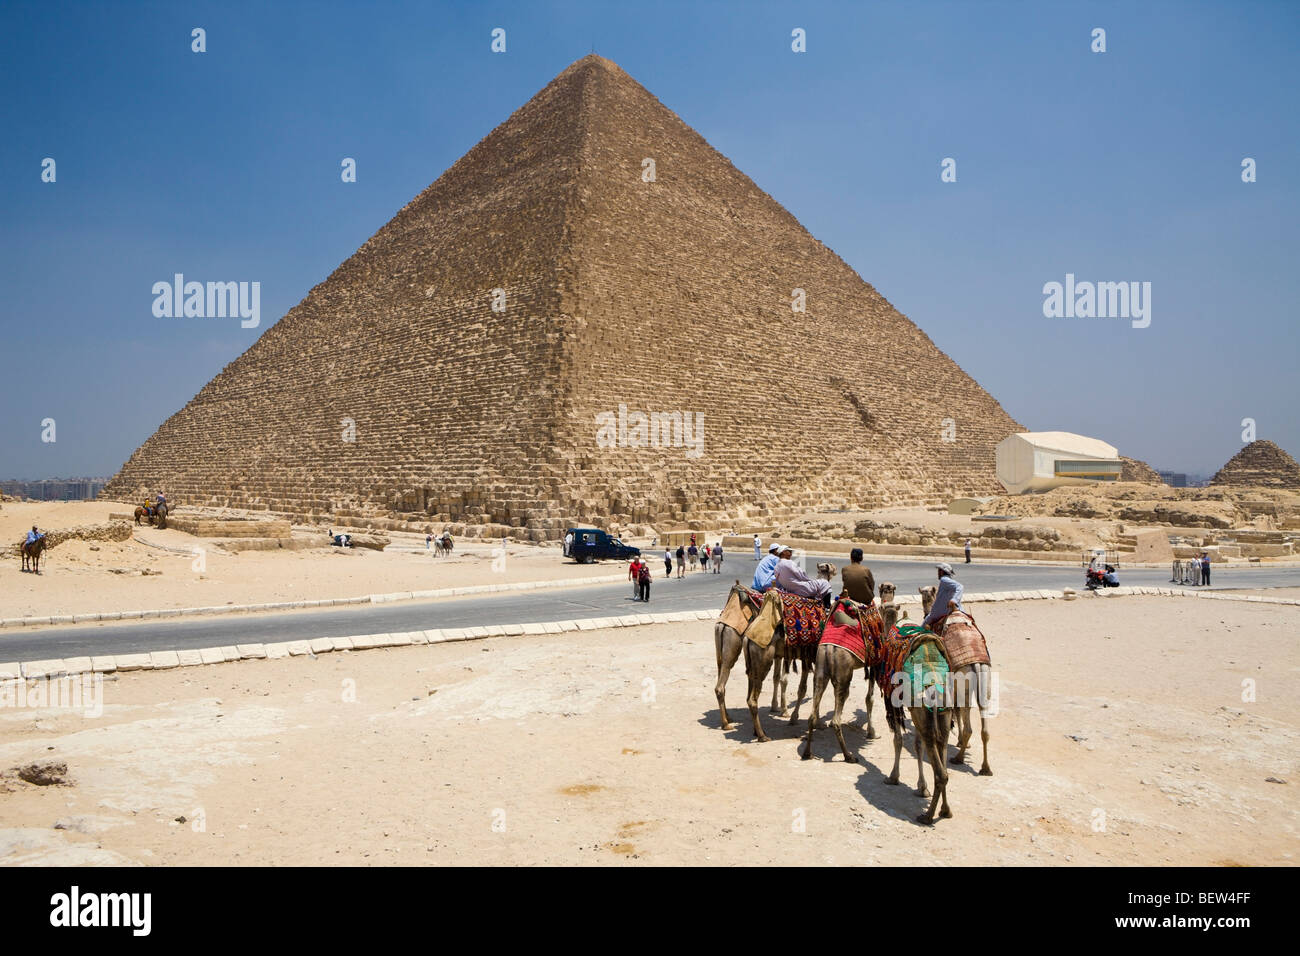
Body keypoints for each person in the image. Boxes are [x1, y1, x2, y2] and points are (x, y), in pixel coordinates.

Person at [922, 563, 964, 631]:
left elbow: (960, 586)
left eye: (939, 571)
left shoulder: (944, 580)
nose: (938, 573)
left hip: (942, 611)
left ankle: (920, 633)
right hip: (958, 609)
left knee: (926, 621)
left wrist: (954, 600)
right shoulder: (948, 581)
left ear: (941, 571)